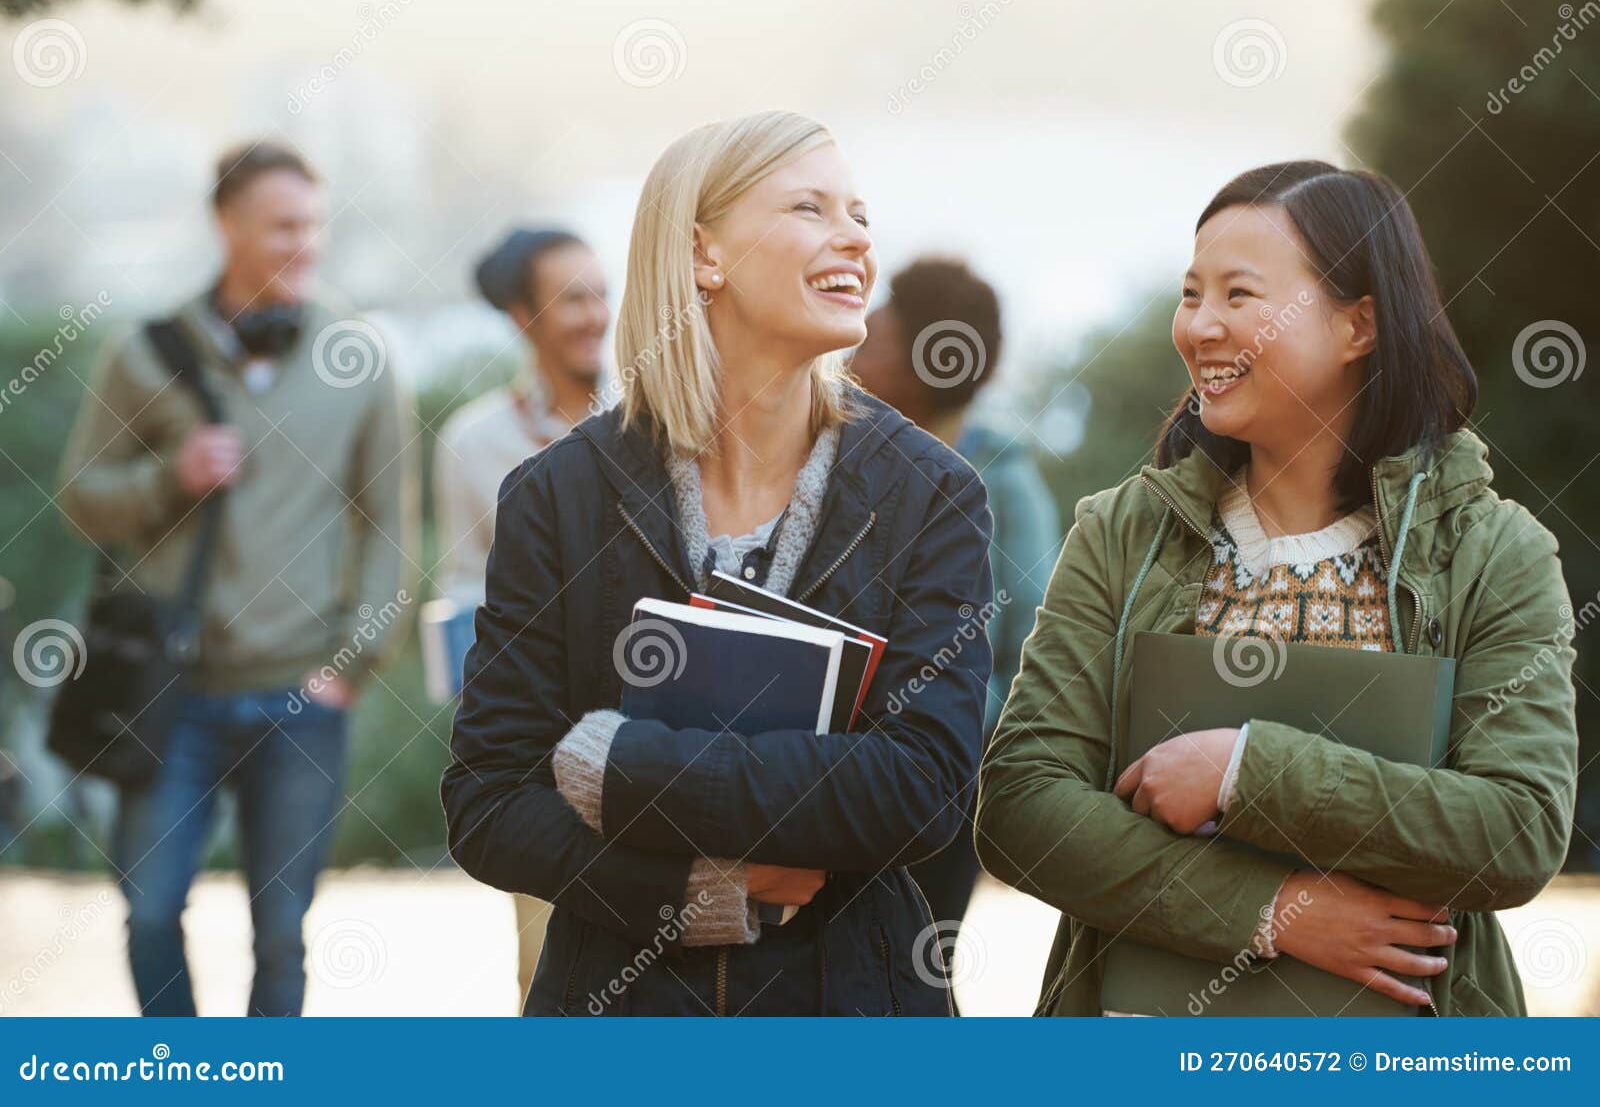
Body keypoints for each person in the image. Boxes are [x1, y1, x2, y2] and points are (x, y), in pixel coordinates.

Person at [975, 161, 1578, 1016]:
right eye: (1192, 294)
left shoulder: (1494, 551)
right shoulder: (1121, 532)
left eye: (1239, 295)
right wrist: (1275, 913)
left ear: (1358, 325)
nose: (1200, 327)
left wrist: (1247, 773)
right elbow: (1022, 807)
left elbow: (1516, 831)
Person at [440, 110, 994, 1015]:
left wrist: (619, 766)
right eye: (811, 208)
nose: (854, 235)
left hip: (854, 1008)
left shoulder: (933, 493)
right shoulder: (556, 495)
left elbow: (925, 790)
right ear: (704, 255)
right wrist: (685, 897)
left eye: (859, 212)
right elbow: (489, 800)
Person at [59, 140, 419, 1015]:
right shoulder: (144, 353)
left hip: (300, 696)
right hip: (169, 693)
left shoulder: (362, 357)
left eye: (314, 225)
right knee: (147, 913)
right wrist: (166, 477)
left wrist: (351, 665)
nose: (306, 243)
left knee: (281, 932)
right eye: (283, 226)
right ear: (226, 224)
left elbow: (388, 532)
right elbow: (79, 495)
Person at [850, 257, 1060, 964]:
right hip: (831, 770)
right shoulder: (840, 457)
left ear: (921, 366)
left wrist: (939, 726)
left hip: (945, 780)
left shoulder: (1003, 482)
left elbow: (1032, 644)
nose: (853, 351)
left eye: (874, 342)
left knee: (913, 968)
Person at [433, 225, 609, 1006]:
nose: (595, 314)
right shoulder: (477, 441)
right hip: (539, 746)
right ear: (522, 317)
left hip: (661, 727)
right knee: (544, 966)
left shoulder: (658, 416)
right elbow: (466, 589)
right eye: (572, 299)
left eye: (602, 292)